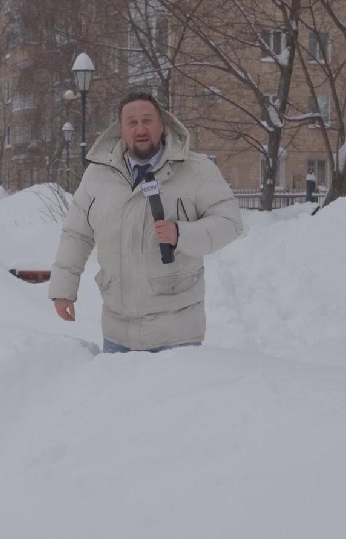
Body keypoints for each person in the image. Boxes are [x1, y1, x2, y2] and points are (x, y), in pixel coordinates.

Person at [48, 92, 244, 353]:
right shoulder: (98, 174)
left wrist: (181, 234)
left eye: (147, 120)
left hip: (177, 336)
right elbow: (77, 234)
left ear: (162, 124)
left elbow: (230, 222)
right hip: (117, 334)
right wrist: (63, 289)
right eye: (131, 122)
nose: (140, 129)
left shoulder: (196, 170)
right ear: (121, 129)